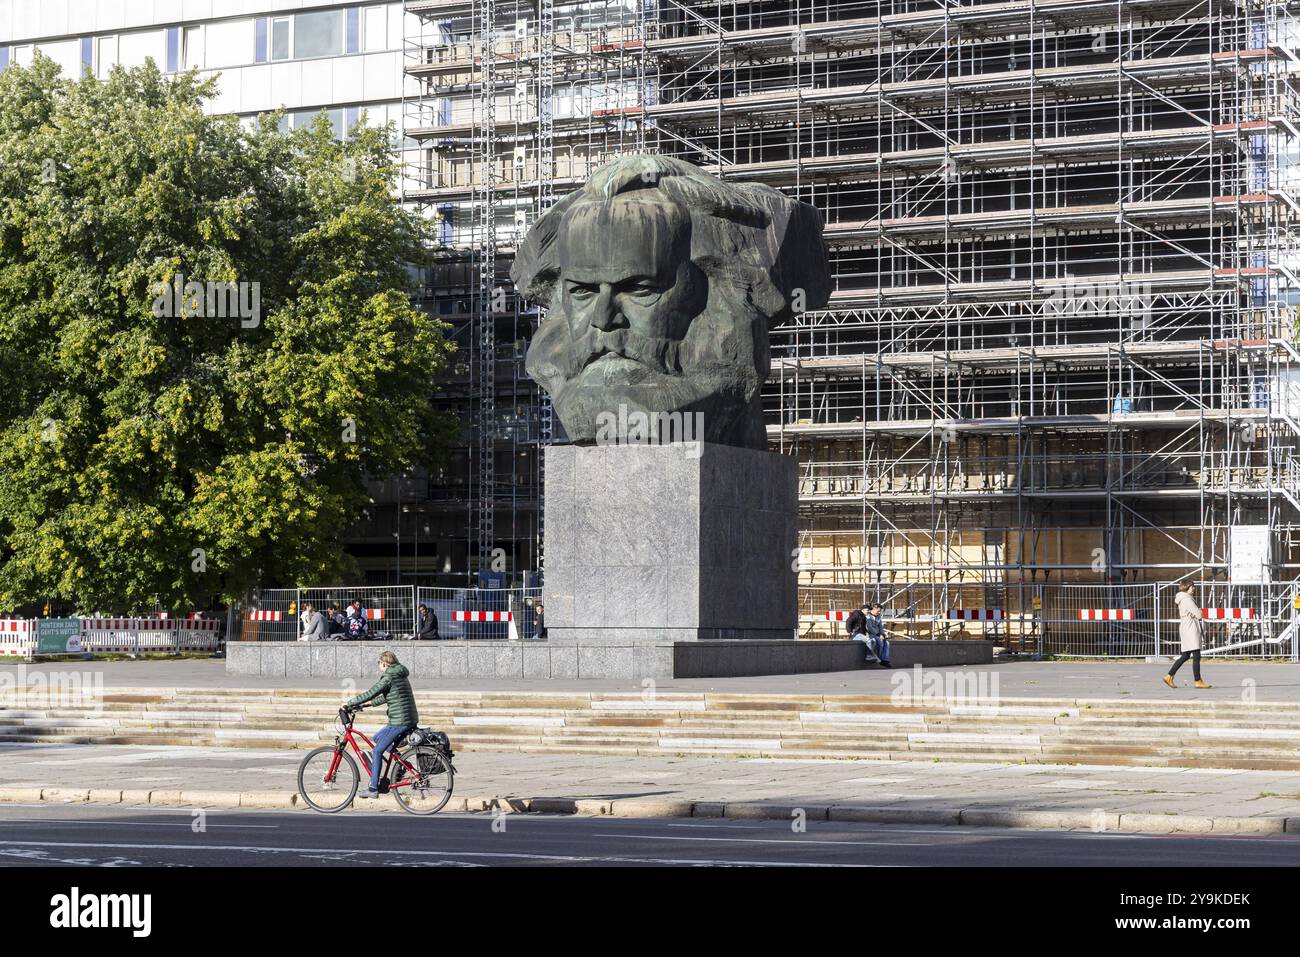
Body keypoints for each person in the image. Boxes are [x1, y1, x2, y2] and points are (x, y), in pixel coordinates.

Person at [345, 651, 420, 800]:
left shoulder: (389, 676)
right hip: (408, 718)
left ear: (384, 663)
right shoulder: (399, 674)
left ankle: (373, 788)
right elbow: (387, 696)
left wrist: (350, 703)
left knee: (378, 751)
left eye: (379, 663)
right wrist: (367, 704)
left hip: (400, 721)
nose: (378, 666)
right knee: (378, 737)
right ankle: (401, 764)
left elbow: (372, 692)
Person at [1165, 582, 1211, 689]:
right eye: (1192, 587)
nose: (1194, 588)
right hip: (1191, 628)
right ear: (1187, 588)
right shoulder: (1187, 600)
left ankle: (1169, 676)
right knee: (1196, 655)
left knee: (1185, 655)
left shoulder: (1182, 598)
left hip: (1186, 627)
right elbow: (1199, 615)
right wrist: (1199, 611)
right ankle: (1197, 680)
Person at [863, 603, 892, 668]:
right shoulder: (868, 617)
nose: (879, 612)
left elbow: (881, 627)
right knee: (879, 641)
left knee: (887, 643)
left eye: (880, 611)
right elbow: (869, 628)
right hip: (870, 634)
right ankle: (880, 659)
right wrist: (878, 634)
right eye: (878, 611)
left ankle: (885, 660)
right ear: (873, 609)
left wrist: (883, 634)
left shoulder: (878, 617)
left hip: (878, 634)